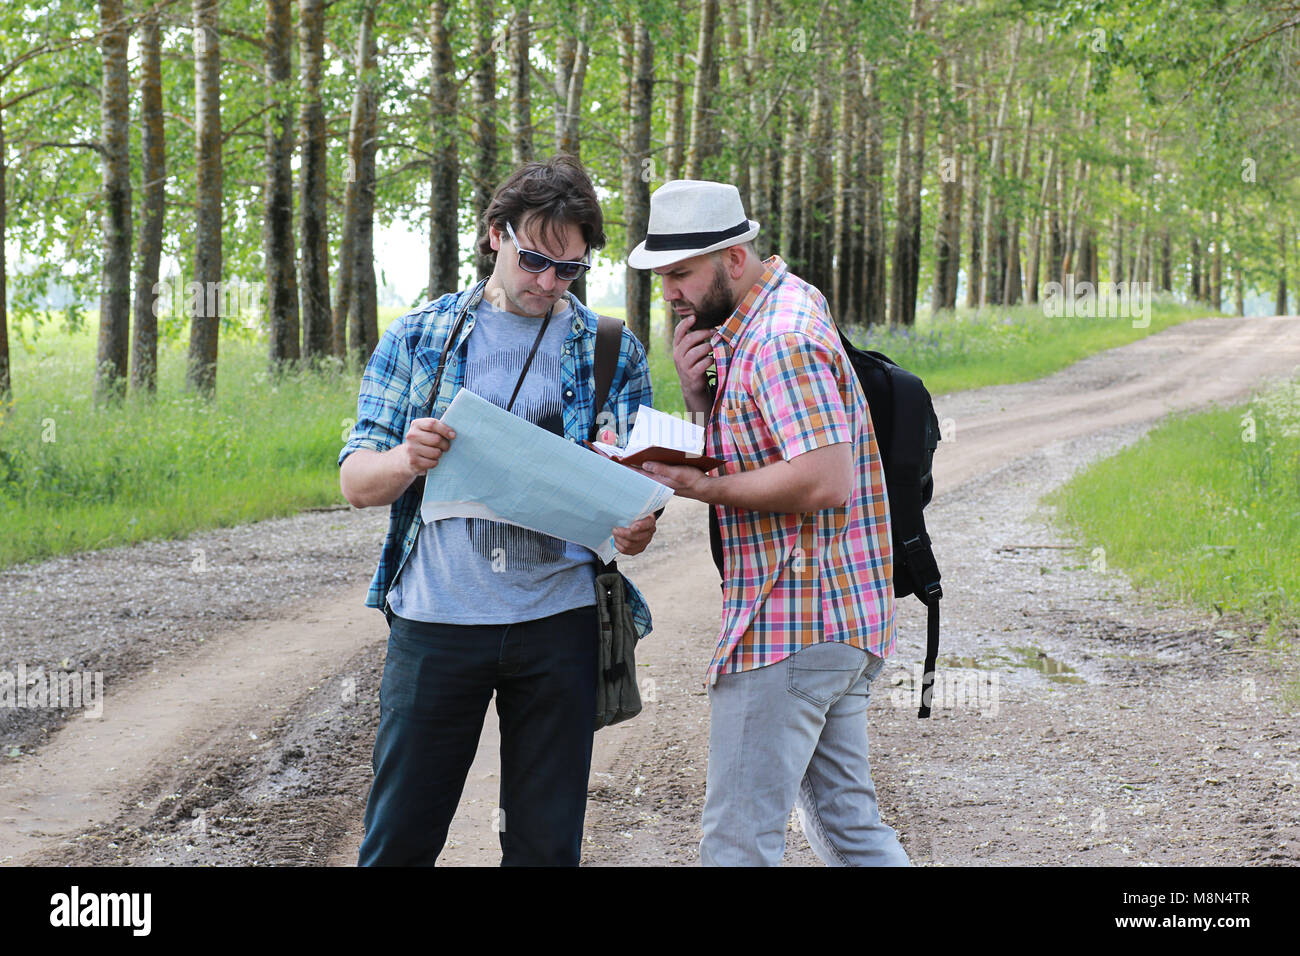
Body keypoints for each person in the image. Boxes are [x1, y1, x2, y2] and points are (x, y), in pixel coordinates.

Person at [339, 155, 658, 866]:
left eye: (569, 269)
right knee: (399, 840)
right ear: (494, 235)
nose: (549, 283)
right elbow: (359, 482)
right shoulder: (420, 337)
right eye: (535, 260)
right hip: (438, 625)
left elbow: (634, 512)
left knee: (546, 848)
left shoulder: (613, 350)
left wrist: (636, 526)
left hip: (561, 628)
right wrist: (407, 460)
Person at [627, 179, 908, 867]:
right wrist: (698, 398)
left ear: (733, 257)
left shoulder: (781, 339)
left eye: (682, 273)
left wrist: (702, 487)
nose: (670, 293)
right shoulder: (776, 308)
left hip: (791, 620)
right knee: (848, 828)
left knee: (737, 841)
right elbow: (764, 443)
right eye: (662, 276)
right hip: (836, 619)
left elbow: (824, 477)